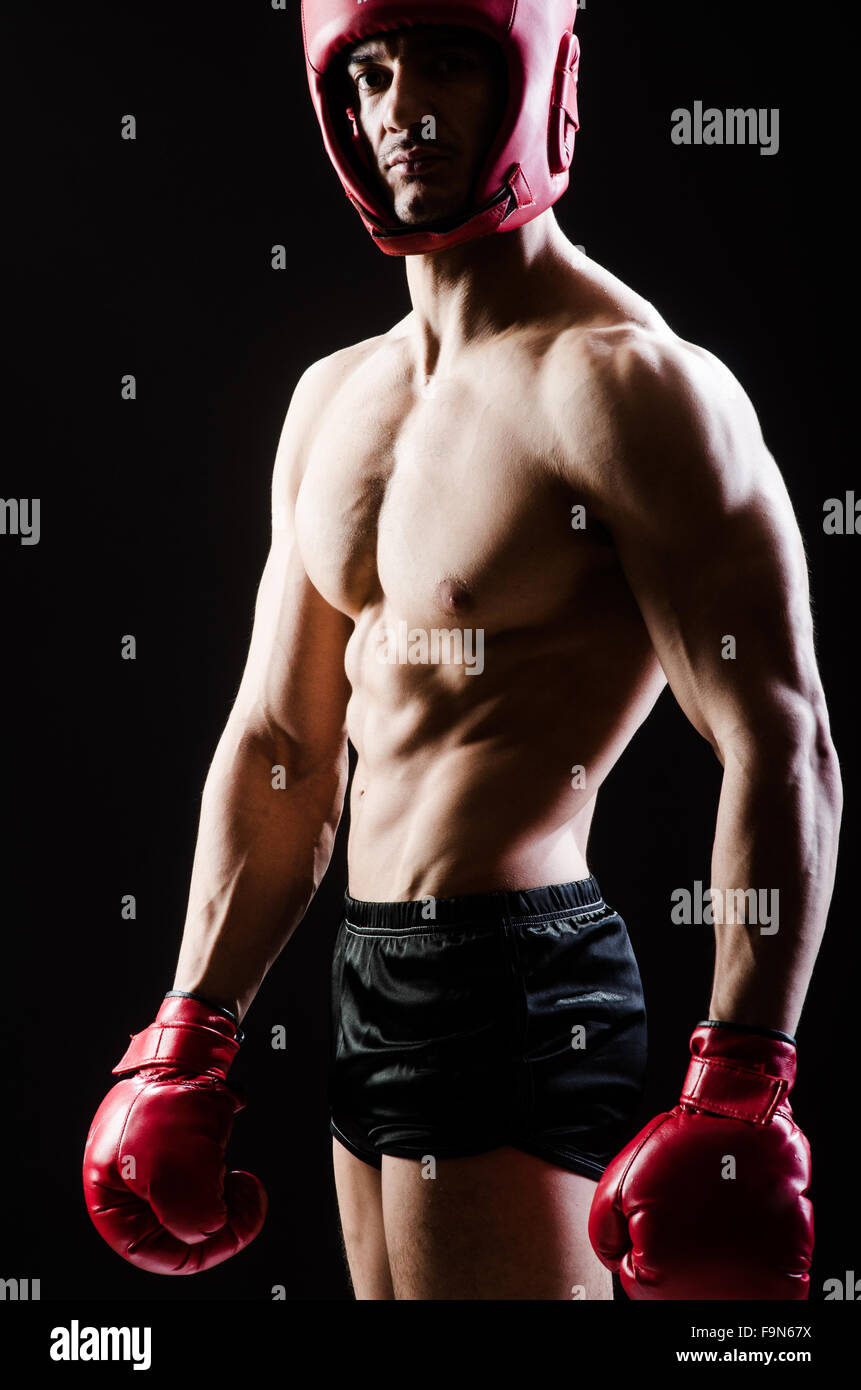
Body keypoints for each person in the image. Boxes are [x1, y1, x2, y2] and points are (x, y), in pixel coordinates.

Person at [83, 0, 842, 1300]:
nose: (397, 108)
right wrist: (189, 1030)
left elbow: (779, 737)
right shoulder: (335, 400)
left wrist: (742, 1078)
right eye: (367, 71)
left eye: (441, 59)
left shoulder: (623, 385)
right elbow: (280, 744)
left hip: (519, 979)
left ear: (538, 76)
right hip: (367, 966)